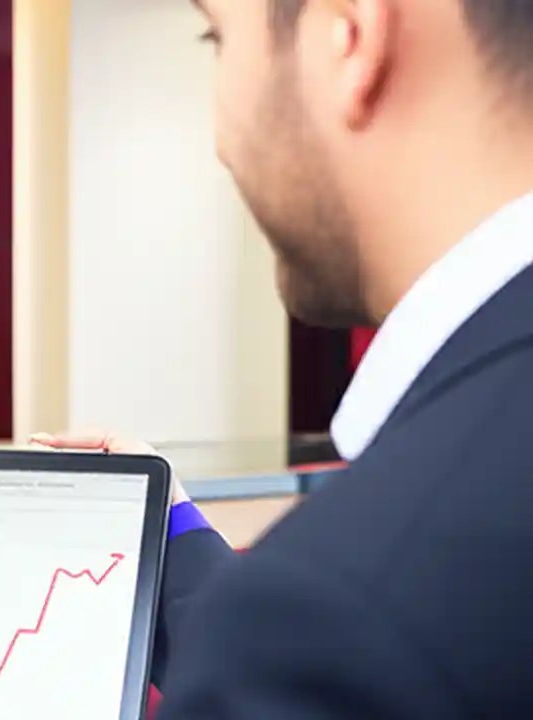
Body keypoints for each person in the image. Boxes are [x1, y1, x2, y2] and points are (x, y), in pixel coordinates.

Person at [42, 0, 533, 715]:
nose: (219, 143)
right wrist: (175, 537)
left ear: (350, 36)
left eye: (216, 39)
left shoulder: (336, 619)